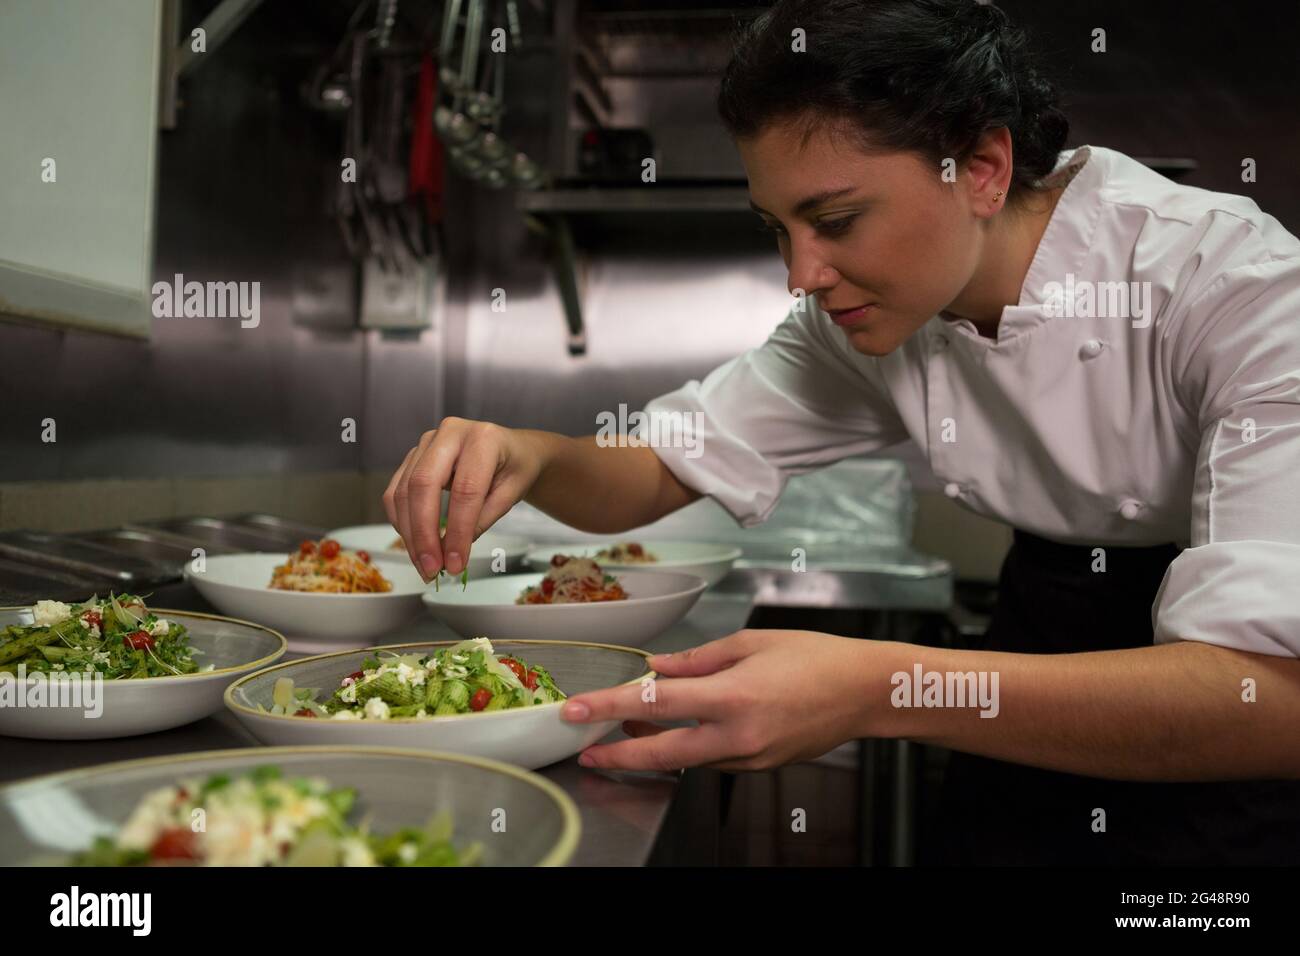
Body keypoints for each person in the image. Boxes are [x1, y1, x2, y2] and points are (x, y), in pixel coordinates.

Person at [384, 0, 1300, 864]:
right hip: (1038, 633)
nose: (801, 274)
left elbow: (1268, 700)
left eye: (835, 220)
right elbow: (658, 466)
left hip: (1212, 710)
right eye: (777, 228)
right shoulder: (869, 317)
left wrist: (880, 687)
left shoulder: (1234, 286)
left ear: (980, 168)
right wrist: (532, 454)